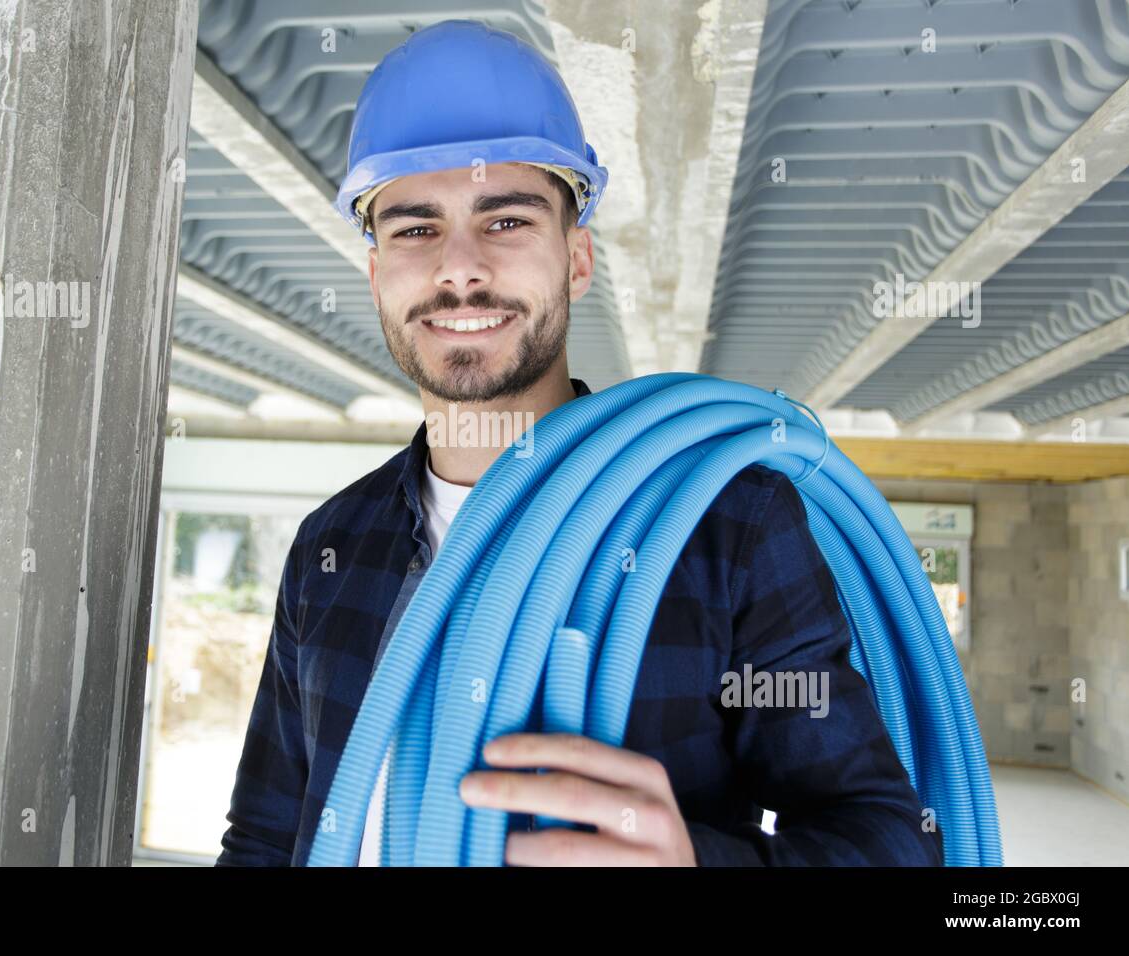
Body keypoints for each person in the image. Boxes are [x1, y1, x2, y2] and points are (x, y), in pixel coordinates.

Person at [216, 18, 942, 867]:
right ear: (378, 276)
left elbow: (889, 841)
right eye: (414, 228)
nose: (460, 268)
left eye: (507, 221)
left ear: (578, 259)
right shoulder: (331, 546)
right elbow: (266, 835)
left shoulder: (727, 525)